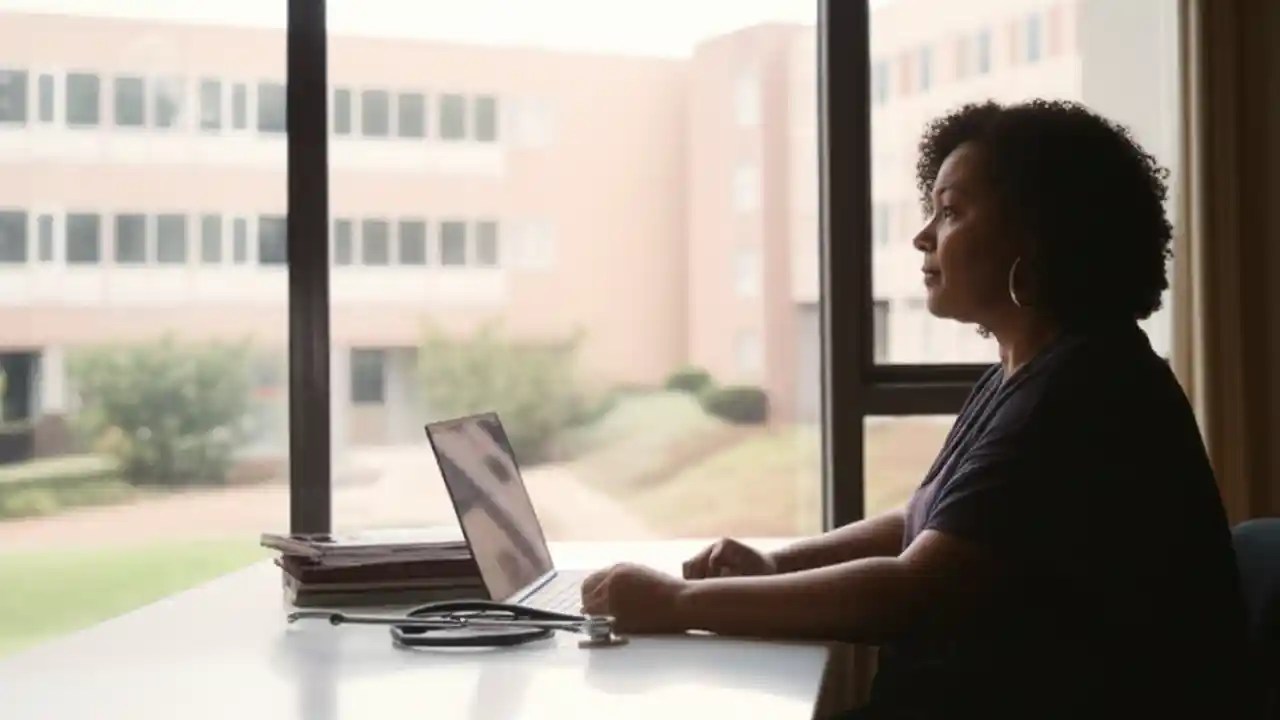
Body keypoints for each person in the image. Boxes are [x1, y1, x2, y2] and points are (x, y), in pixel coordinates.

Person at [580, 100, 1250, 719]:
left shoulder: (1085, 392)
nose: (923, 237)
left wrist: (678, 603)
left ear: (1036, 238)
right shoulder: (1033, 371)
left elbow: (911, 592)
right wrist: (776, 566)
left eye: (952, 211)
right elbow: (926, 521)